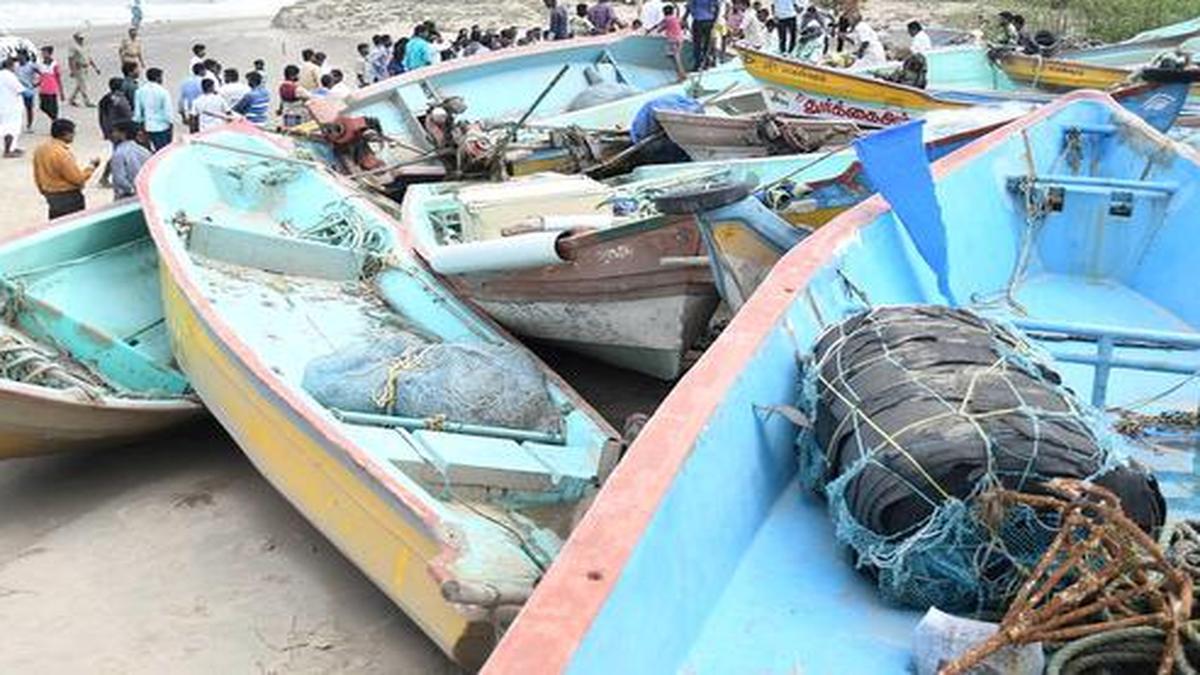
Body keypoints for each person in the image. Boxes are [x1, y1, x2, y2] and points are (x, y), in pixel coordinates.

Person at [33, 118, 99, 219]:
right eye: (72, 133)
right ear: (66, 134)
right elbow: (78, 179)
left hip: (50, 195)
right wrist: (91, 167)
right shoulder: (62, 153)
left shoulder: (40, 149)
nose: (74, 135)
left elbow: (37, 174)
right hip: (67, 197)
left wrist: (44, 191)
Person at [97, 77, 132, 185]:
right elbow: (128, 114)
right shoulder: (120, 100)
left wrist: (105, 131)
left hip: (111, 130)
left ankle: (108, 176)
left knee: (118, 153)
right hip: (121, 130)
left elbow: (101, 117)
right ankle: (106, 177)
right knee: (119, 154)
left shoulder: (105, 98)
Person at [133, 67, 173, 151]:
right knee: (163, 151)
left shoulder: (139, 91)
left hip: (147, 127)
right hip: (162, 127)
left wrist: (139, 127)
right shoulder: (163, 92)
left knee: (148, 151)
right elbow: (168, 112)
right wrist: (170, 123)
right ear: (158, 78)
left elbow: (138, 113)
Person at [108, 119, 149, 200]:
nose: (113, 134)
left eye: (115, 131)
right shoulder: (144, 151)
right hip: (144, 194)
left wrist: (132, 190)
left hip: (126, 196)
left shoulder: (119, 153)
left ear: (123, 134)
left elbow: (119, 178)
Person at [648, 4, 686, 81]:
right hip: (680, 39)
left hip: (673, 40)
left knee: (676, 58)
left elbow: (659, 26)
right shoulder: (675, 18)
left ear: (664, 12)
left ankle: (682, 75)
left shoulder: (666, 19)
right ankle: (680, 74)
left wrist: (650, 30)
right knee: (674, 57)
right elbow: (681, 25)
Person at [67, 33, 100, 108]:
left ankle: (71, 99)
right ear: (75, 38)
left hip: (86, 68)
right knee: (84, 85)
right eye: (80, 38)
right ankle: (87, 102)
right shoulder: (73, 48)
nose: (81, 39)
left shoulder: (84, 47)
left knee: (80, 85)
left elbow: (89, 58)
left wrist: (95, 68)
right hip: (79, 68)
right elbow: (70, 60)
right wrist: (72, 70)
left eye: (82, 38)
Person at [685, 0, 718, 71]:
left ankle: (698, 64)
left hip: (698, 21)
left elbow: (689, 7)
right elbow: (716, 8)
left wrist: (684, 18)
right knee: (707, 43)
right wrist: (714, 21)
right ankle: (706, 63)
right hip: (709, 21)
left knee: (697, 44)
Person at [0, 58, 24, 157]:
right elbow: (20, 89)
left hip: (4, 106)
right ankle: (7, 151)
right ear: (11, 66)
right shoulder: (9, 76)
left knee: (7, 127)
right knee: (11, 129)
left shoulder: (1, 75)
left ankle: (12, 147)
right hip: (11, 107)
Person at [36, 46, 62, 125]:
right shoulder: (40, 64)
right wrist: (37, 84)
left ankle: (55, 120)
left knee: (52, 107)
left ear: (49, 53)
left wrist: (61, 91)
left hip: (52, 89)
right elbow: (41, 76)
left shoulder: (55, 64)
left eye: (44, 52)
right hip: (43, 89)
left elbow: (58, 77)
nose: (43, 54)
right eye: (42, 52)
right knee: (43, 106)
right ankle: (54, 119)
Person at [178, 62, 205, 133]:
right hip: (203, 115)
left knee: (193, 135)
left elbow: (181, 100)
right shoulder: (204, 82)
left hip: (191, 114)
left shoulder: (185, 82)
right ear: (201, 71)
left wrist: (183, 116)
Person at [15, 51, 37, 130]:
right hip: (17, 89)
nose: (19, 58)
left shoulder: (31, 65)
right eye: (18, 56)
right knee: (17, 108)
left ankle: (29, 125)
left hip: (28, 90)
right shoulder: (16, 66)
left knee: (29, 108)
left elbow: (42, 73)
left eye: (20, 56)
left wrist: (37, 83)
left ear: (25, 56)